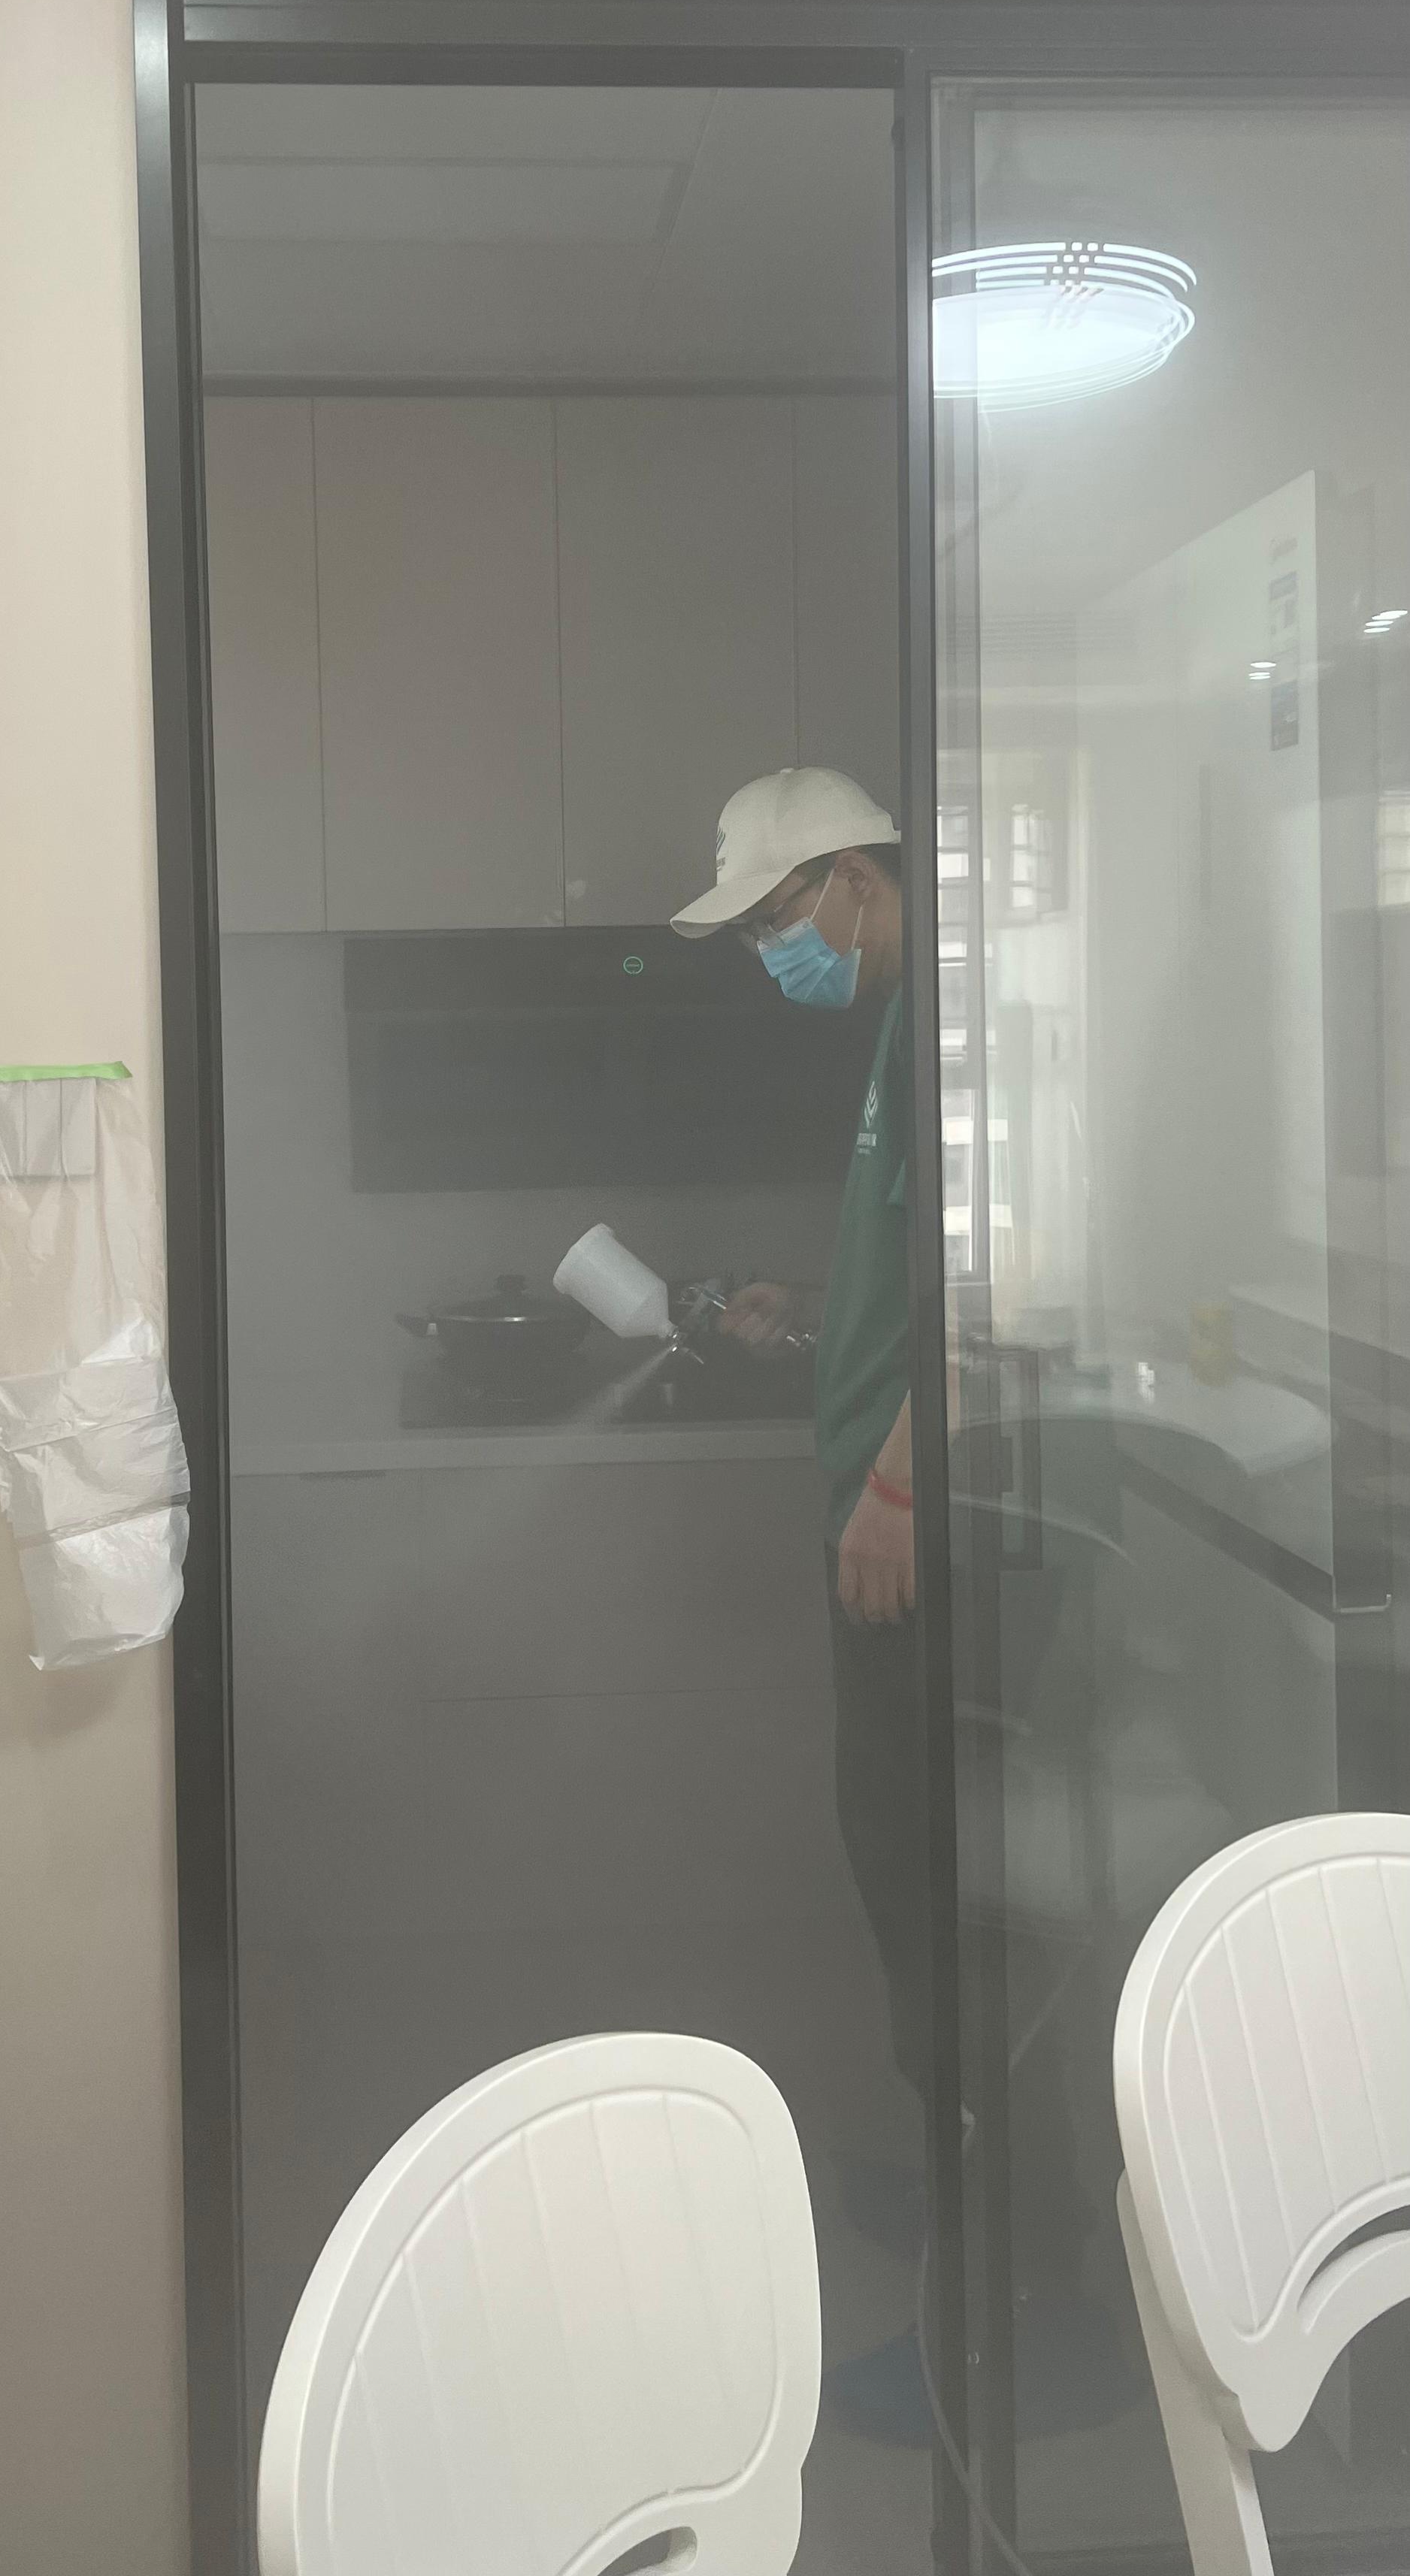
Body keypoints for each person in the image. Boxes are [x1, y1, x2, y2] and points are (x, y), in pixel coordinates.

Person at [671, 765, 1123, 2447]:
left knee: (954, 1912)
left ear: (856, 881)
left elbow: (1005, 1298)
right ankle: (972, 2198)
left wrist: (902, 1488)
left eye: (779, 919)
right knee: (911, 1885)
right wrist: (814, 1307)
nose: (771, 954)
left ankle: (1031, 2320)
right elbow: (922, 1276)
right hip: (909, 1521)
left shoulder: (965, 1029)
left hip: (946, 1535)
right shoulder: (904, 1033)